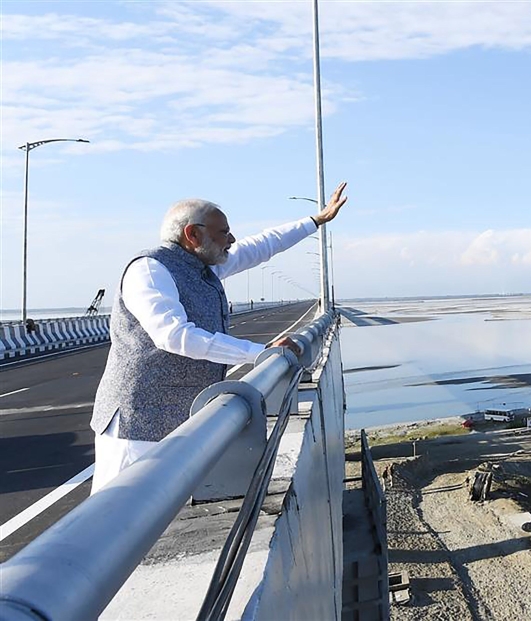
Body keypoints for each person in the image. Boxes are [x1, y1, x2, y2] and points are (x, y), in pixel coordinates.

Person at [89, 183, 348, 493]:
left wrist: (315, 221)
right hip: (136, 423)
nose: (232, 239)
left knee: (162, 514)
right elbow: (173, 336)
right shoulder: (150, 270)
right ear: (193, 235)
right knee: (119, 515)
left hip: (178, 420)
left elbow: (262, 246)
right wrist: (260, 353)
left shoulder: (202, 267)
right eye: (224, 232)